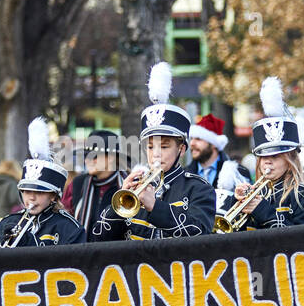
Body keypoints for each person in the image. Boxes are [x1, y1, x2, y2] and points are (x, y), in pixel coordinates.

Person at [94, 62, 215, 241]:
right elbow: (99, 237)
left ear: (181, 149)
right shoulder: (134, 186)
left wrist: (155, 206)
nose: (156, 154)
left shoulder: (199, 188)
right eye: (150, 147)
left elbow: (200, 234)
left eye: (164, 146)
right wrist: (119, 202)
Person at [228, 78, 304, 230]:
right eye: (263, 156)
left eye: (275, 156)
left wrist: (262, 210)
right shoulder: (257, 193)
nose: (267, 162)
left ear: (290, 158)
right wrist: (235, 202)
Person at [0, 118, 86, 247]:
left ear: (53, 195)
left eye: (39, 192)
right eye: (26, 191)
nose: (31, 197)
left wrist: (30, 244)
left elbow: (68, 265)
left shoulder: (70, 228)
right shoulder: (7, 223)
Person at [64, 130, 125, 238]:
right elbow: (64, 222)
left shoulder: (127, 184)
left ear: (110, 157)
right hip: (81, 252)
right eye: (86, 155)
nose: (87, 160)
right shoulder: (78, 184)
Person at [186, 114, 234, 187]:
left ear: (214, 144)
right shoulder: (184, 175)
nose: (192, 143)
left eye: (198, 139)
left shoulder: (235, 172)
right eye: (191, 139)